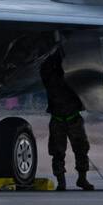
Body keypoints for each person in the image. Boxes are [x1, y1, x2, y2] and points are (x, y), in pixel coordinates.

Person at [40, 45, 94, 191]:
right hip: (60, 120)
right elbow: (45, 67)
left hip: (71, 118)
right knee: (58, 152)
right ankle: (62, 182)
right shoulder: (51, 77)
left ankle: (81, 179)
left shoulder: (72, 78)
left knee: (80, 150)